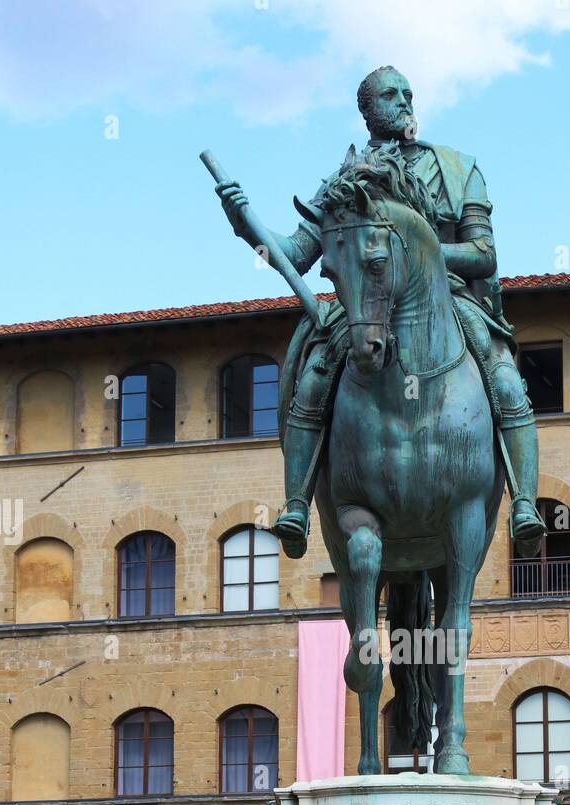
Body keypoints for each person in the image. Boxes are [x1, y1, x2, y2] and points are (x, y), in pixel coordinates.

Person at [216, 65, 546, 561]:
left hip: (445, 301)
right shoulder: (344, 183)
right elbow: (298, 252)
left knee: (503, 378)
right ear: (367, 110)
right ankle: (298, 506)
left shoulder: (458, 168)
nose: (404, 101)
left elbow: (483, 253)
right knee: (314, 375)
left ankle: (524, 501)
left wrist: (422, 254)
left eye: (408, 93)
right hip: (364, 305)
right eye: (390, 95)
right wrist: (247, 224)